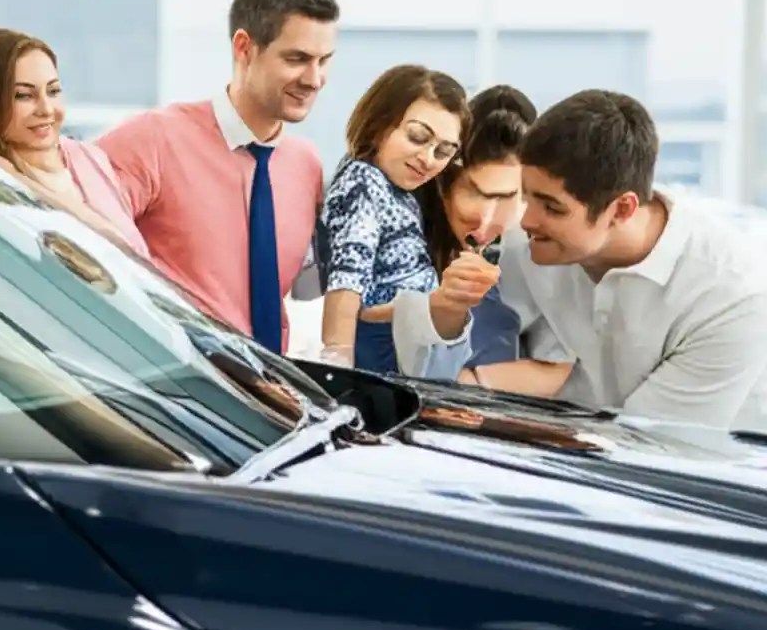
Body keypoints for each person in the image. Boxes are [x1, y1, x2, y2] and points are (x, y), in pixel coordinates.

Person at [472, 89, 767, 432]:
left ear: (622, 209)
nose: (526, 221)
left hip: (703, 471)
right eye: (526, 196)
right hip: (565, 448)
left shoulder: (729, 297)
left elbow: (649, 445)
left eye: (552, 208)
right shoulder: (528, 244)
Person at [95, 0, 339, 354]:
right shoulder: (153, 139)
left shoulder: (305, 163)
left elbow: (306, 288)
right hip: (172, 390)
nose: (315, 79)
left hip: (269, 393)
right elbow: (67, 232)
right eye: (297, 58)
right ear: (244, 48)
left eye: (324, 60)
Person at [316, 64, 479, 373]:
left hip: (408, 347)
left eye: (444, 151)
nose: (428, 160)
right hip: (381, 351)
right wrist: (337, 363)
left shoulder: (401, 190)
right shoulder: (364, 180)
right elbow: (347, 276)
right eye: (418, 137)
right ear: (379, 124)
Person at [381, 84, 536, 376]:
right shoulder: (398, 245)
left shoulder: (536, 255)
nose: (486, 219)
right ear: (444, 185)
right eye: (475, 192)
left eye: (506, 197)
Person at [0, 28, 149, 259]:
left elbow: (132, 253)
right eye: (24, 95)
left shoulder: (89, 158)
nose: (46, 109)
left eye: (53, 91)